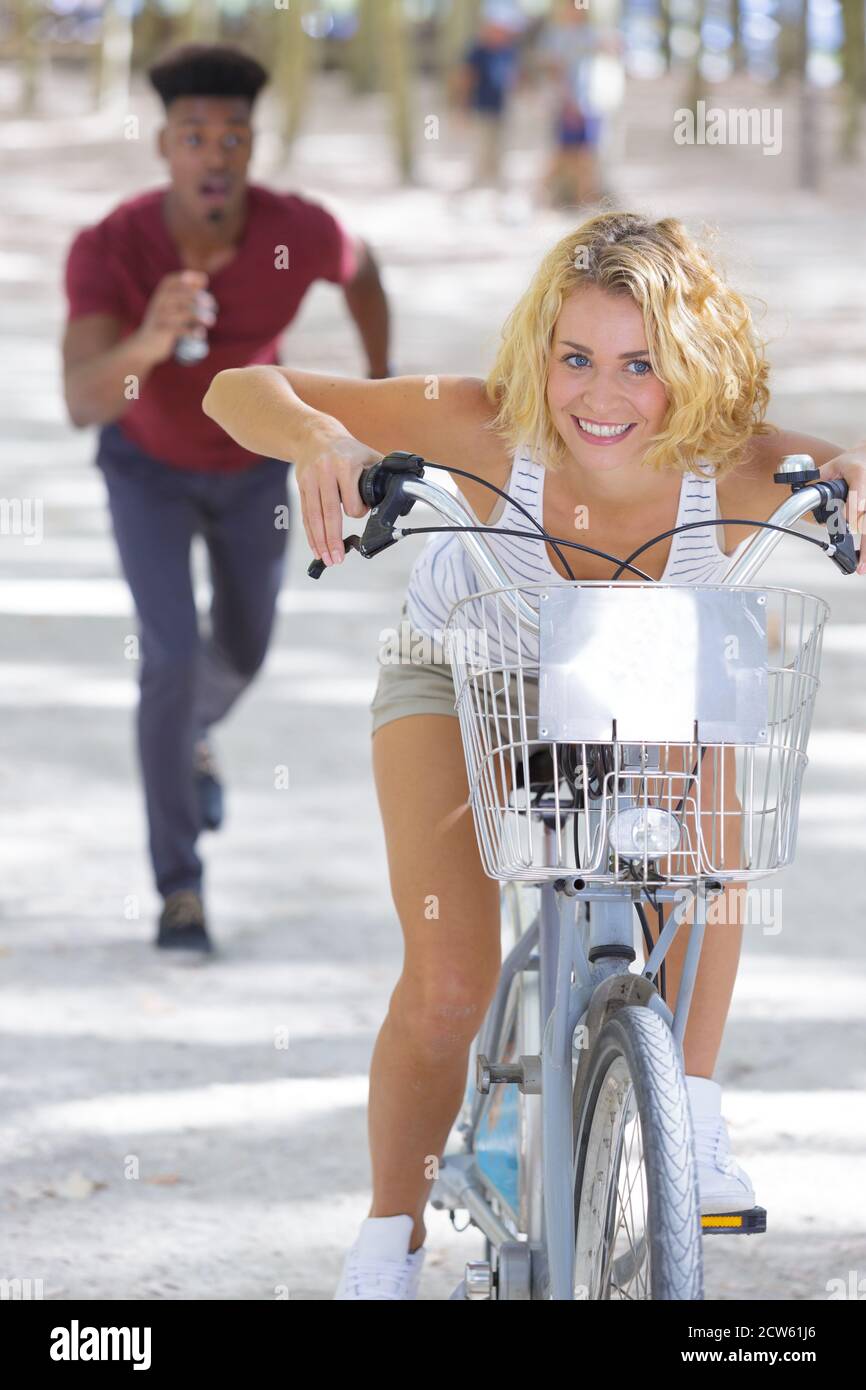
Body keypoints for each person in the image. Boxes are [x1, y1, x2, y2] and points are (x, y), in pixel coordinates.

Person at [202, 210, 866, 1298]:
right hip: (463, 675)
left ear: (688, 368)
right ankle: (387, 1245)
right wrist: (320, 440)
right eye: (574, 358)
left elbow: (838, 470)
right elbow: (238, 387)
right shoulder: (482, 425)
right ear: (538, 357)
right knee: (448, 983)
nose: (598, 396)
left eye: (638, 365)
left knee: (716, 725)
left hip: (628, 680)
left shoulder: (735, 470)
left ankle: (686, 1116)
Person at [62, 43, 392, 953]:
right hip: (149, 471)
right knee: (168, 659)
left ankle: (188, 734)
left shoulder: (296, 230)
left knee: (242, 648)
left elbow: (361, 270)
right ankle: (180, 889)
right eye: (195, 136)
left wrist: (380, 378)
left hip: (253, 473)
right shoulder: (111, 247)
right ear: (164, 145)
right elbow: (83, 399)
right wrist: (147, 339)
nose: (215, 154)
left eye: (233, 137)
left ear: (253, 147)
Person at [540, 0, 623, 208]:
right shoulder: (556, 36)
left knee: (588, 155)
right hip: (567, 104)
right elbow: (555, 72)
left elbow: (611, 59)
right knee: (563, 154)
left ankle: (584, 201)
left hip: (592, 105)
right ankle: (544, 197)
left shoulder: (593, 34)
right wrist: (568, 101)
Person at [451, 5, 525, 191]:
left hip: (500, 108)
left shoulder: (508, 50)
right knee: (481, 153)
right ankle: (471, 192)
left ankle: (497, 192)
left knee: (499, 154)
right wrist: (462, 108)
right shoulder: (477, 51)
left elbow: (513, 78)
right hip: (481, 109)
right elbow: (465, 79)